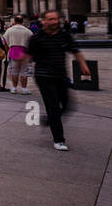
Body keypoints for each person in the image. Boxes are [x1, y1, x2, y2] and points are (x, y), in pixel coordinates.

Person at [28, 10, 91, 151]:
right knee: (53, 107)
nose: (54, 22)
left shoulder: (64, 35)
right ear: (43, 21)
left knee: (68, 105)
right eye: (51, 19)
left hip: (61, 75)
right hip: (43, 76)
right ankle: (59, 140)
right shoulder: (36, 38)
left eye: (56, 19)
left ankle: (50, 120)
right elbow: (28, 54)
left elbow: (75, 50)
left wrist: (83, 65)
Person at [4, 14, 33, 94]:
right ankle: (24, 89)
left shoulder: (9, 30)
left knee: (14, 71)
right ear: (22, 21)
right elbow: (32, 42)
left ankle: (14, 88)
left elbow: (5, 41)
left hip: (13, 52)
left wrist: (8, 50)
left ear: (15, 21)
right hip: (24, 52)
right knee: (24, 72)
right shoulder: (28, 31)